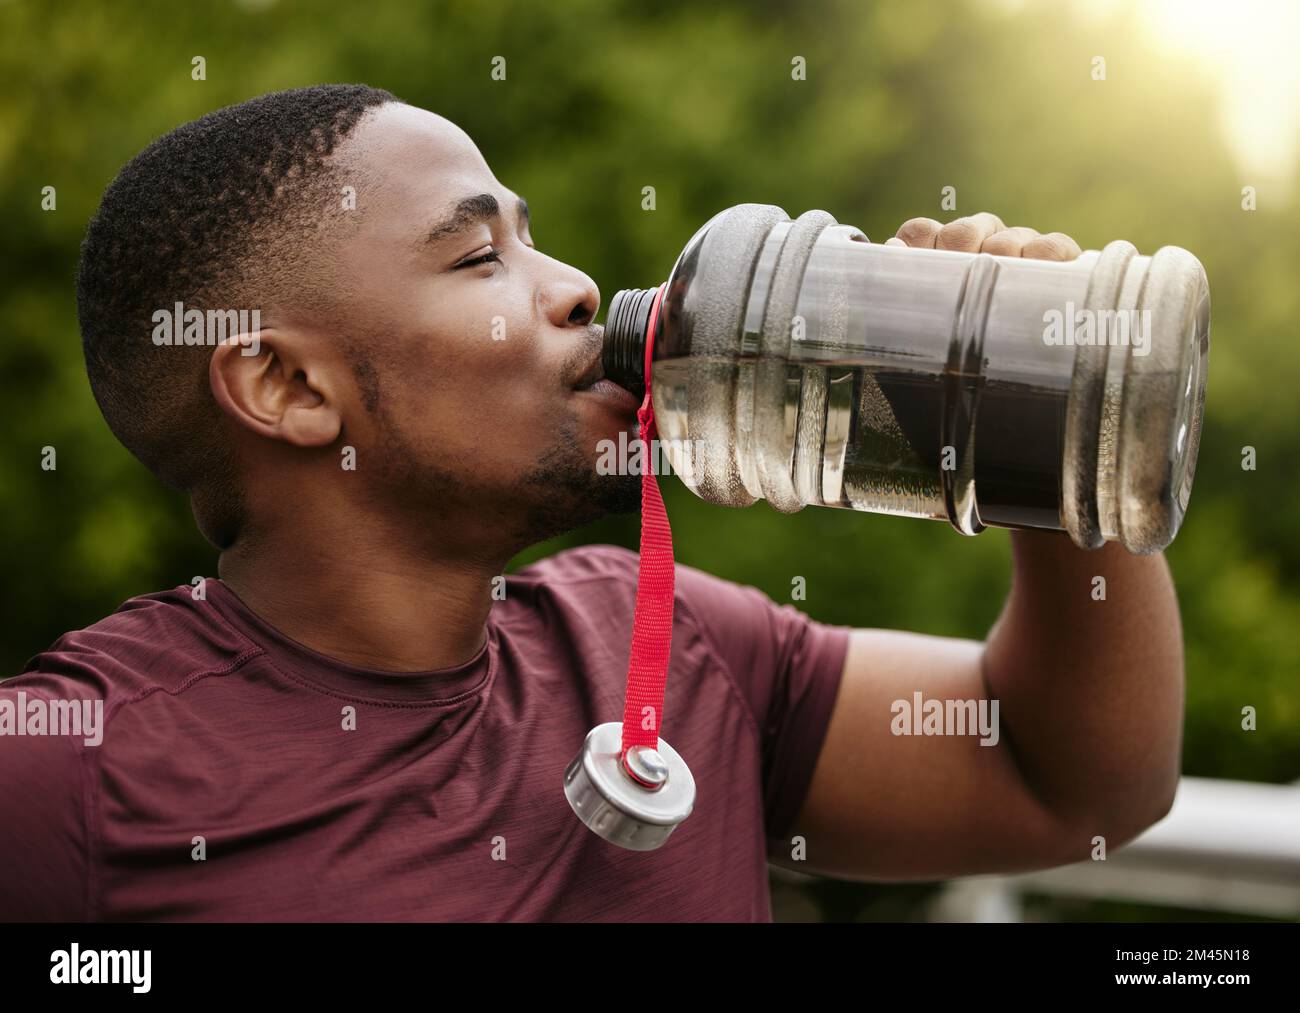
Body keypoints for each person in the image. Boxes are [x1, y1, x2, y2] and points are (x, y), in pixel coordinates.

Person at [0, 85, 1182, 921]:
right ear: (286, 386)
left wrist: (1038, 430)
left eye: (536, 241)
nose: (573, 289)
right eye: (479, 260)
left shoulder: (666, 651)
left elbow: (1067, 782)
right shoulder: (73, 770)